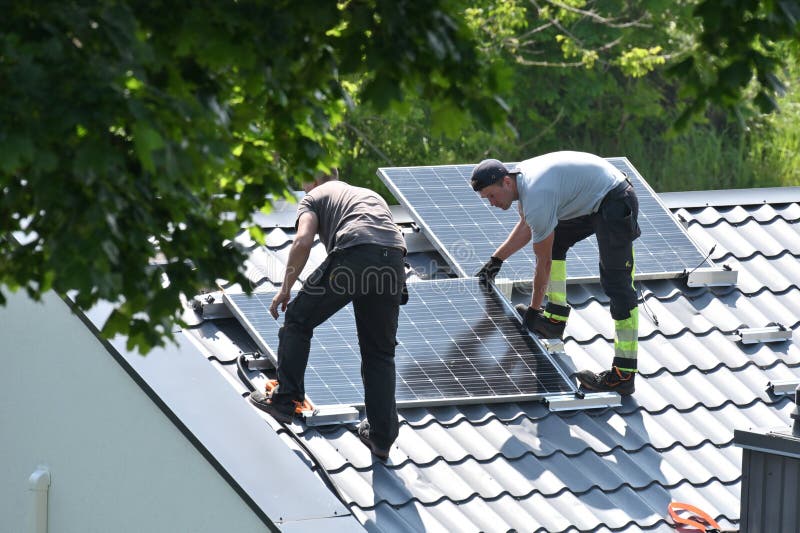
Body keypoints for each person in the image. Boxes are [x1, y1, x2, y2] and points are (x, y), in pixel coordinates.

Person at [249, 168, 407, 460]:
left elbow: (303, 240)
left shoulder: (314, 197)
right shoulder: (368, 194)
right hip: (394, 260)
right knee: (380, 353)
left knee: (297, 318)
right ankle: (381, 438)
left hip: (356, 254)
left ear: (311, 179)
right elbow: (387, 237)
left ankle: (285, 401)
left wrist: (285, 289)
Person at [471, 151, 641, 395]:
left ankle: (624, 375)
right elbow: (529, 225)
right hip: (594, 196)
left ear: (506, 182)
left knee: (617, 286)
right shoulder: (521, 181)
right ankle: (553, 321)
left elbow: (544, 261)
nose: (492, 203)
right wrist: (496, 260)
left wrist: (532, 310)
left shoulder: (536, 195)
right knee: (557, 238)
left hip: (615, 199)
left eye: (492, 196)